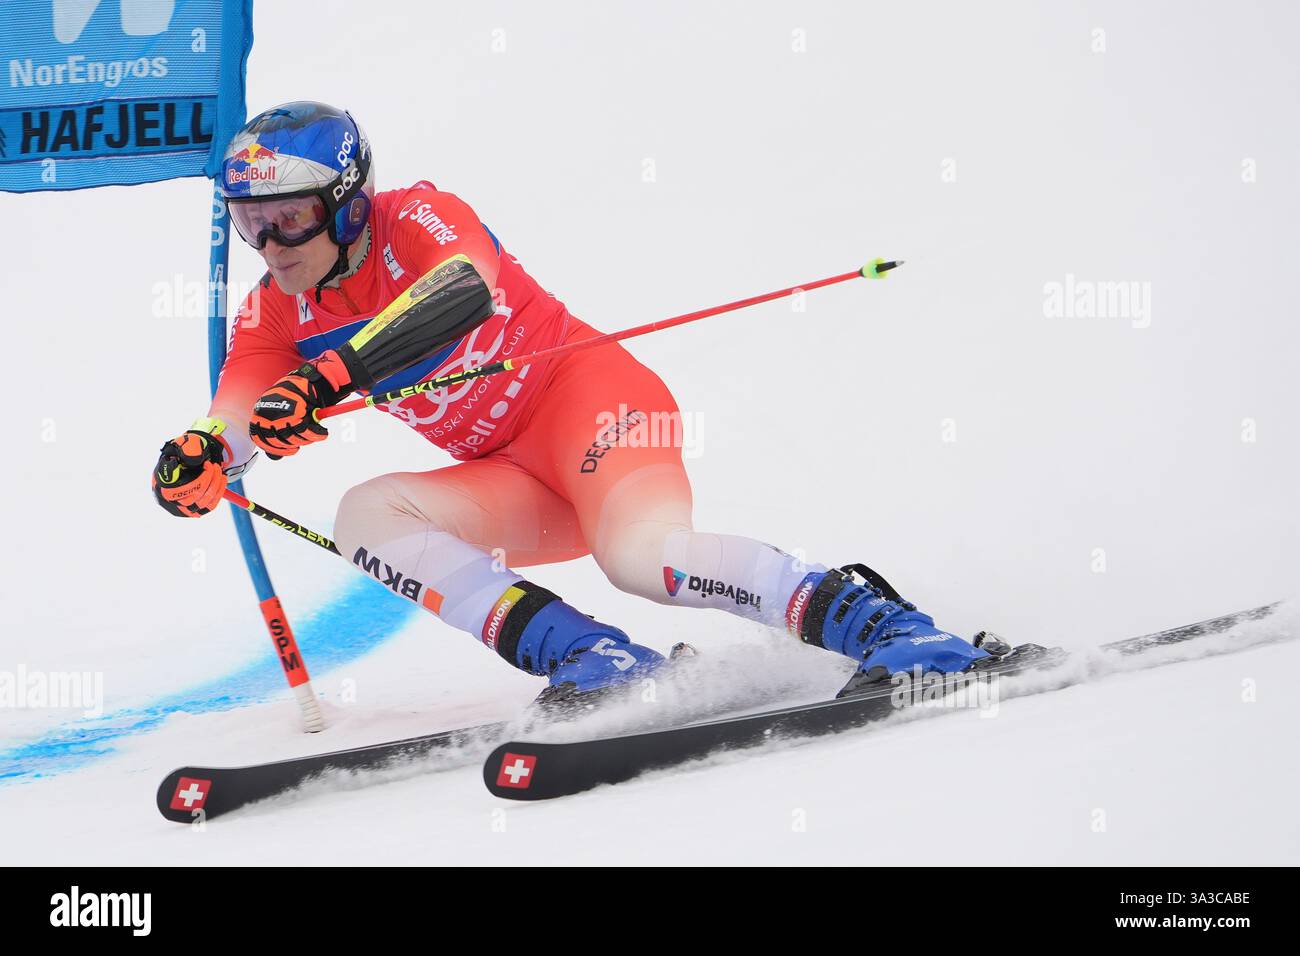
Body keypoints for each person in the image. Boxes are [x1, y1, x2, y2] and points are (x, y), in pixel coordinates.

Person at [152, 101, 992, 708]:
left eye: (291, 220)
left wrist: (334, 373)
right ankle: (595, 656)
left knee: (645, 560)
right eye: (250, 224)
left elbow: (463, 290)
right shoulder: (271, 310)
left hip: (593, 406)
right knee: (365, 514)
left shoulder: (419, 220)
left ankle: (894, 631)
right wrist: (202, 457)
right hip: (510, 473)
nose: (270, 247)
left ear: (348, 203)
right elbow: (235, 411)